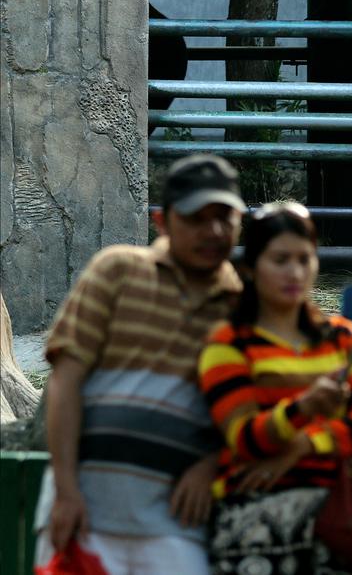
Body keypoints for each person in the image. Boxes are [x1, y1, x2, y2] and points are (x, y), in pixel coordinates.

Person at [36, 155, 247, 574]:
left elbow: (251, 413)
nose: (215, 231)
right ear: (162, 222)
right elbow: (65, 382)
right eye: (197, 219)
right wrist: (66, 492)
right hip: (83, 512)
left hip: (175, 525)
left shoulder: (244, 306)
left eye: (225, 217)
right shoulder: (116, 270)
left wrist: (212, 466)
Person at [198, 201, 352, 573]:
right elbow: (245, 439)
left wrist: (303, 443)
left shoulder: (342, 337)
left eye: (305, 259)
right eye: (281, 259)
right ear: (251, 268)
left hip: (337, 518)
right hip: (251, 523)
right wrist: (302, 407)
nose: (295, 272)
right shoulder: (227, 344)